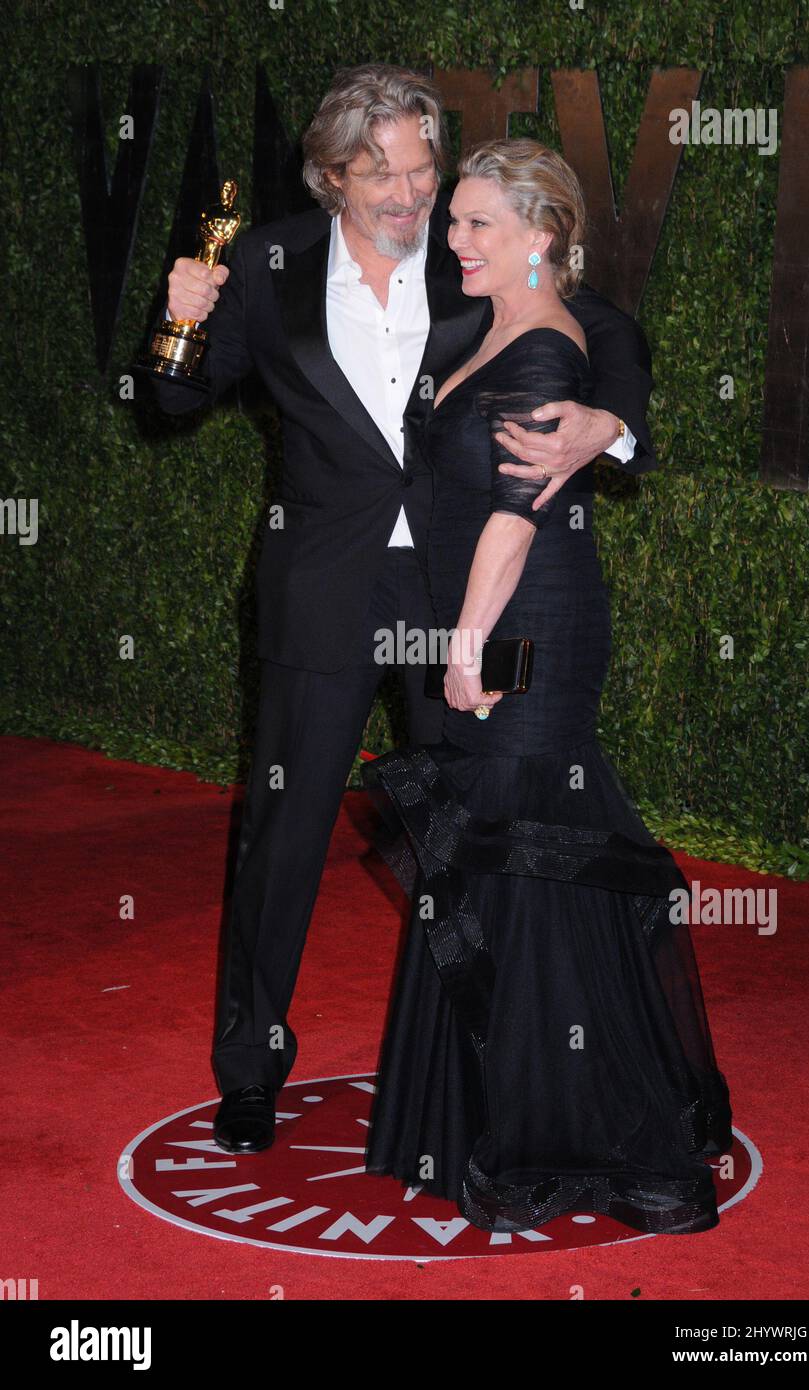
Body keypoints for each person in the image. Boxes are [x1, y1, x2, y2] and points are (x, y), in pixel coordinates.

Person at [143, 64, 657, 1156]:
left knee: (475, 830)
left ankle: (482, 1062)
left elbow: (601, 326)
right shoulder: (269, 259)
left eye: (423, 170)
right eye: (380, 173)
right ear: (330, 174)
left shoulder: (470, 255)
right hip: (321, 592)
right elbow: (176, 399)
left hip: (459, 593)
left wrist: (602, 425)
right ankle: (250, 1063)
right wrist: (174, 322)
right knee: (282, 836)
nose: (408, 196)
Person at [361, 137, 734, 1236]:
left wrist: (467, 641)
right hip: (459, 615)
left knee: (531, 851)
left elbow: (514, 516)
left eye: (479, 221)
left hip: (520, 623)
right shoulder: (483, 313)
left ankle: (583, 1126)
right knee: (486, 851)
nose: (451, 235)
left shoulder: (542, 346)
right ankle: (482, 1110)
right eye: (453, 216)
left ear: (544, 237)